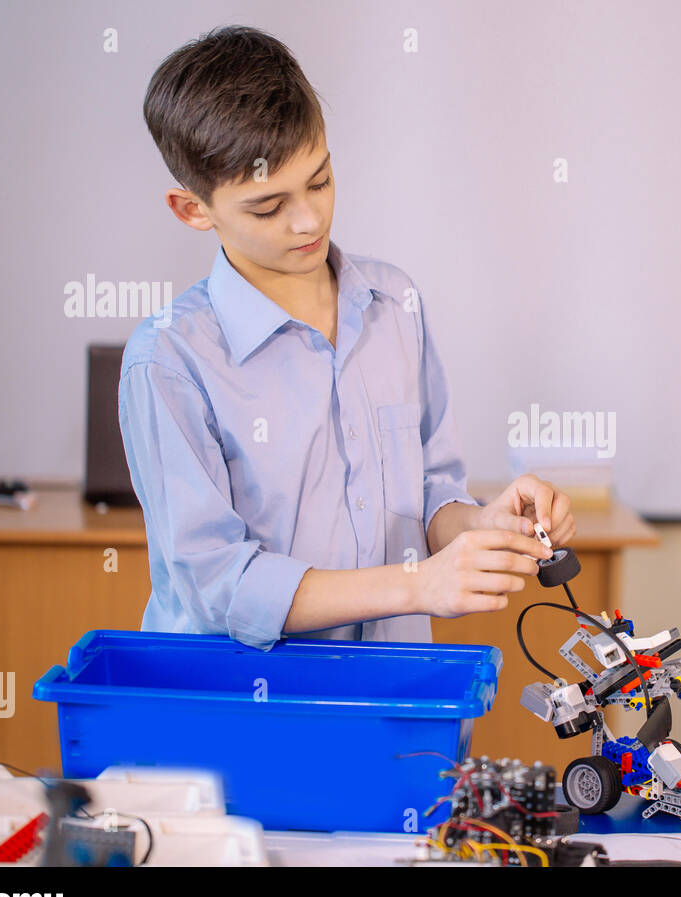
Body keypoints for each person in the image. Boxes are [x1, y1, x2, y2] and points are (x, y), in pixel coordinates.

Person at [120, 25, 573, 651]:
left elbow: (429, 493)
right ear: (193, 209)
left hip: (394, 693)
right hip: (250, 715)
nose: (308, 220)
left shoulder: (394, 305)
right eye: (267, 206)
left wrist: (481, 523)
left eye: (320, 180)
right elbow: (218, 584)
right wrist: (418, 586)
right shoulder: (169, 360)